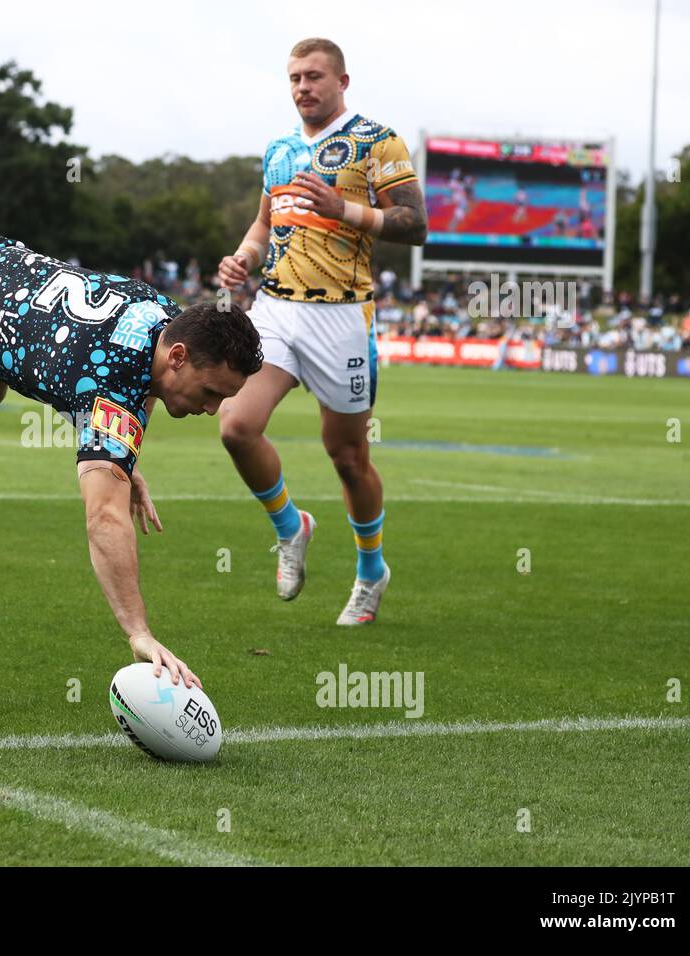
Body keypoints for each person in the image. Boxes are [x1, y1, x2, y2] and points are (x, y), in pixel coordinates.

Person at [0, 234, 262, 687]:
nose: (210, 410)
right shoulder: (112, 382)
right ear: (179, 356)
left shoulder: (165, 315)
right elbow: (104, 515)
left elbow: (117, 379)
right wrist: (138, 632)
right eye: (210, 393)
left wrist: (125, 460)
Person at [215, 38, 428, 626]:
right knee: (235, 425)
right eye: (293, 79)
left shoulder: (376, 141)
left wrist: (345, 210)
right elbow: (265, 221)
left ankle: (370, 570)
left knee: (348, 457)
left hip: (341, 318)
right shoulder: (280, 149)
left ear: (342, 81)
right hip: (276, 309)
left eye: (313, 77)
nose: (302, 87)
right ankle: (292, 526)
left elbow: (414, 224)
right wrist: (243, 257)